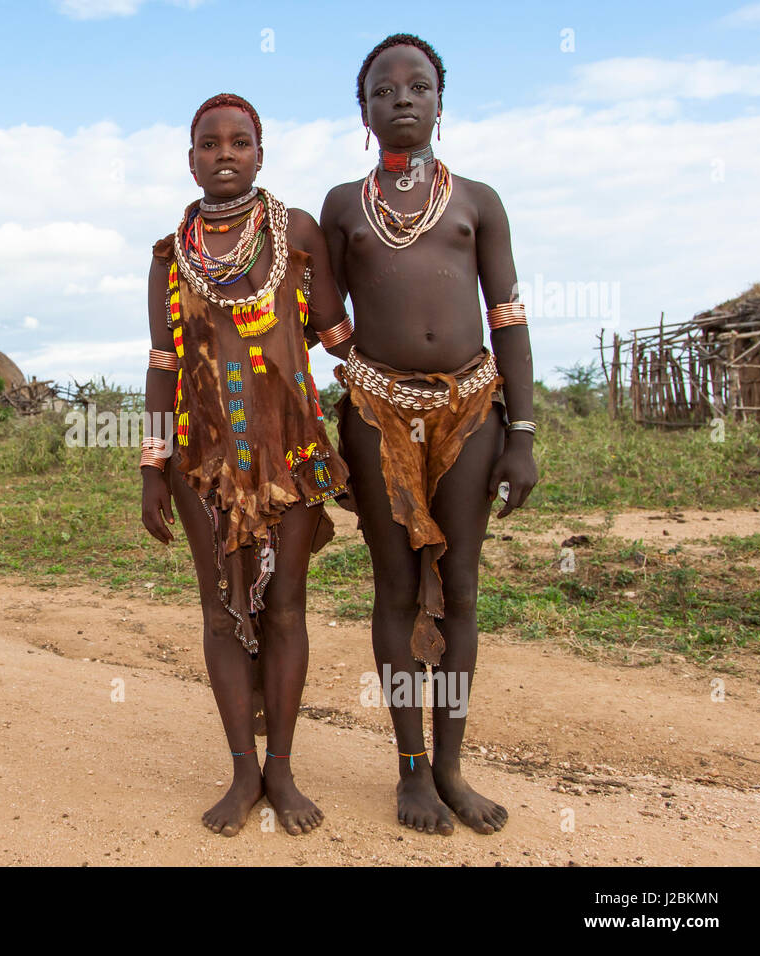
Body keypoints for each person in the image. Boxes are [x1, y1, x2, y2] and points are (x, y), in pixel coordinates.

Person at [319, 35, 538, 835]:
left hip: (472, 409)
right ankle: (410, 772)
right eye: (383, 89)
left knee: (462, 590)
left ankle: (451, 765)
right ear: (365, 109)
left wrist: (521, 431)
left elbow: (507, 314)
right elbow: (320, 305)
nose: (402, 99)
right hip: (377, 417)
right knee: (397, 589)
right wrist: (359, 374)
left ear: (442, 102)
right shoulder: (345, 205)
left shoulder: (478, 201)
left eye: (419, 86)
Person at [141, 93, 355, 837]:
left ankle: (285, 771)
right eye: (209, 143)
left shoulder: (296, 232)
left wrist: (396, 413)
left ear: (261, 155)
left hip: (288, 454)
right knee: (221, 614)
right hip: (201, 463)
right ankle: (241, 773)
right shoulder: (171, 257)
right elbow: (163, 364)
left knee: (286, 607)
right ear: (191, 156)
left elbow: (335, 336)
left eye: (240, 142)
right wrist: (151, 466)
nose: (224, 153)